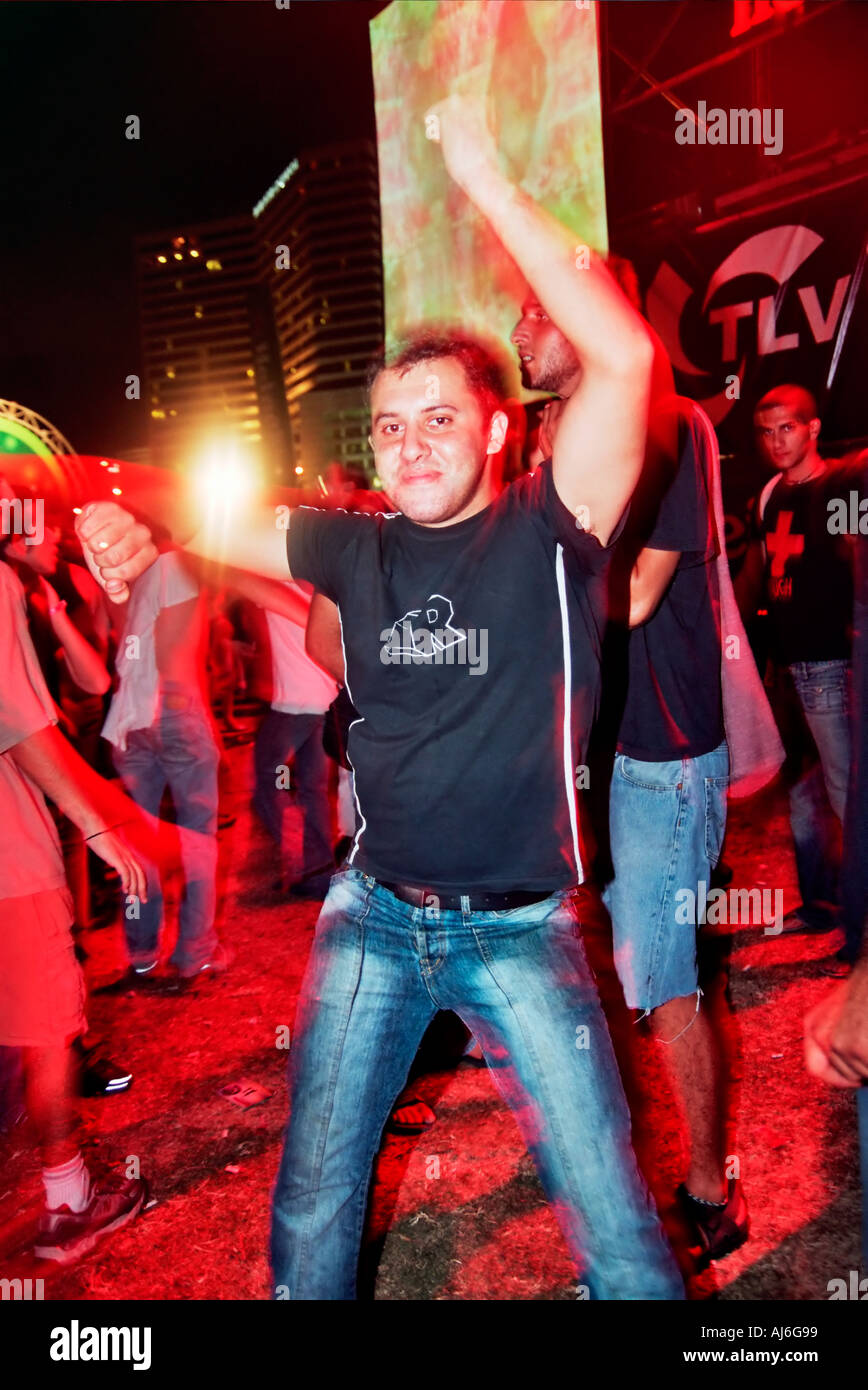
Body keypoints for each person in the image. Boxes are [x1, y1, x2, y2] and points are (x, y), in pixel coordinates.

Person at [77, 94, 682, 1300]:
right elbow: (208, 513)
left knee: (615, 1235)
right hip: (372, 920)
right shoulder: (350, 547)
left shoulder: (551, 529)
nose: (408, 445)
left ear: (499, 431)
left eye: (439, 419)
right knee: (310, 1203)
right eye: (390, 425)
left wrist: (489, 182)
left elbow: (624, 357)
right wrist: (131, 528)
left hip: (524, 928)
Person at [511, 285, 781, 1268]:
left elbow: (627, 596)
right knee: (641, 969)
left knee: (664, 983)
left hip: (664, 755)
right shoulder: (585, 429)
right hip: (613, 751)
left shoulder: (662, 423)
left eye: (533, 313)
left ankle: (710, 1196)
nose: (517, 335)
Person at [0, 495, 147, 1261]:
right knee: (49, 1028)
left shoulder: (40, 593)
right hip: (10, 858)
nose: (55, 531)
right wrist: (97, 825)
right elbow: (19, 723)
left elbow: (91, 681)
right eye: (35, 517)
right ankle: (67, 1205)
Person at [738, 385, 856, 938]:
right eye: (765, 431)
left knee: (846, 795)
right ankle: (821, 905)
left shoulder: (843, 486)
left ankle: (860, 933)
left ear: (812, 428)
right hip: (788, 668)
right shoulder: (768, 495)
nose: (775, 441)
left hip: (834, 665)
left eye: (787, 427)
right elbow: (761, 572)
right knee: (804, 796)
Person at [101, 551, 224, 988]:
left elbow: (118, 638)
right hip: (172, 709)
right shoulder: (180, 563)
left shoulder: (120, 569)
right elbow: (174, 655)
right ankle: (194, 951)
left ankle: (141, 956)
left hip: (127, 715)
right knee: (198, 837)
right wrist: (190, 714)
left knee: (138, 842)